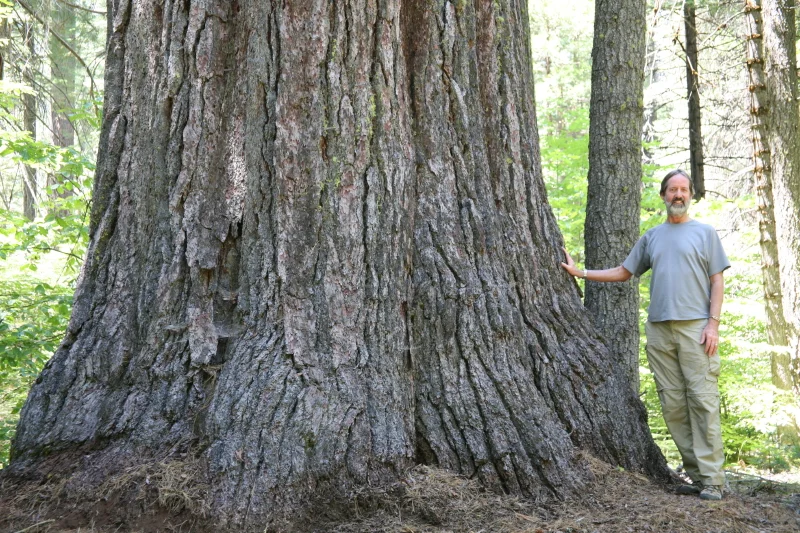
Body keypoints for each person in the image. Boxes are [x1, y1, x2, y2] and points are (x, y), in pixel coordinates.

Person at [560, 169, 730, 501]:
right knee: (673, 406)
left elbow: (717, 281)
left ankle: (714, 480)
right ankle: (698, 477)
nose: (678, 195)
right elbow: (624, 272)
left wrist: (713, 324)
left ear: (690, 195)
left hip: (697, 329)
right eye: (672, 190)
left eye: (683, 190)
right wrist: (581, 272)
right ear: (663, 195)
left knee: (703, 401)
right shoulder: (652, 237)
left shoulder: (705, 233)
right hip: (659, 330)